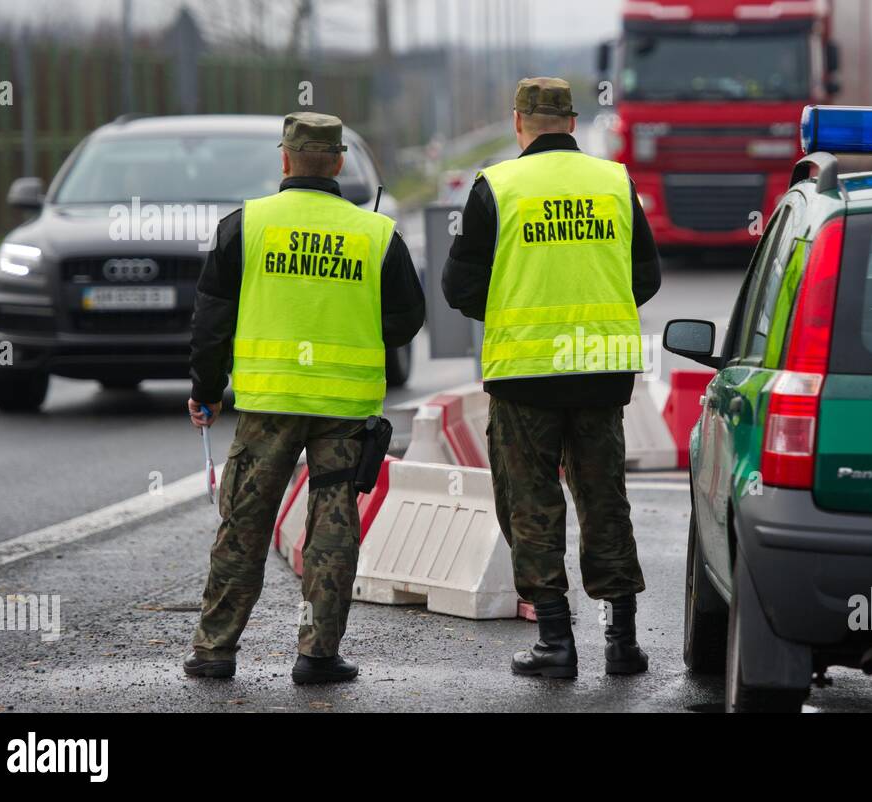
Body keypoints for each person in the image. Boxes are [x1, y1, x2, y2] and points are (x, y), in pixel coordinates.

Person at [183, 112, 424, 684]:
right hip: (344, 410)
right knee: (333, 529)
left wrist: (206, 392)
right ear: (339, 162)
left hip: (269, 403)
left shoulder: (247, 225)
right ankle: (317, 654)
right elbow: (406, 321)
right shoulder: (377, 234)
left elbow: (210, 322)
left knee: (243, 525)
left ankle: (215, 650)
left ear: (284, 159)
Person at [443, 78, 662, 679]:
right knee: (604, 499)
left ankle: (555, 642)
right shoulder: (616, 183)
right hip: (600, 371)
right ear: (570, 121)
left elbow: (458, 288)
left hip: (526, 374)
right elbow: (646, 276)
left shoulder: (496, 188)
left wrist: (518, 302)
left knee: (531, 504)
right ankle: (621, 642)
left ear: (518, 122)